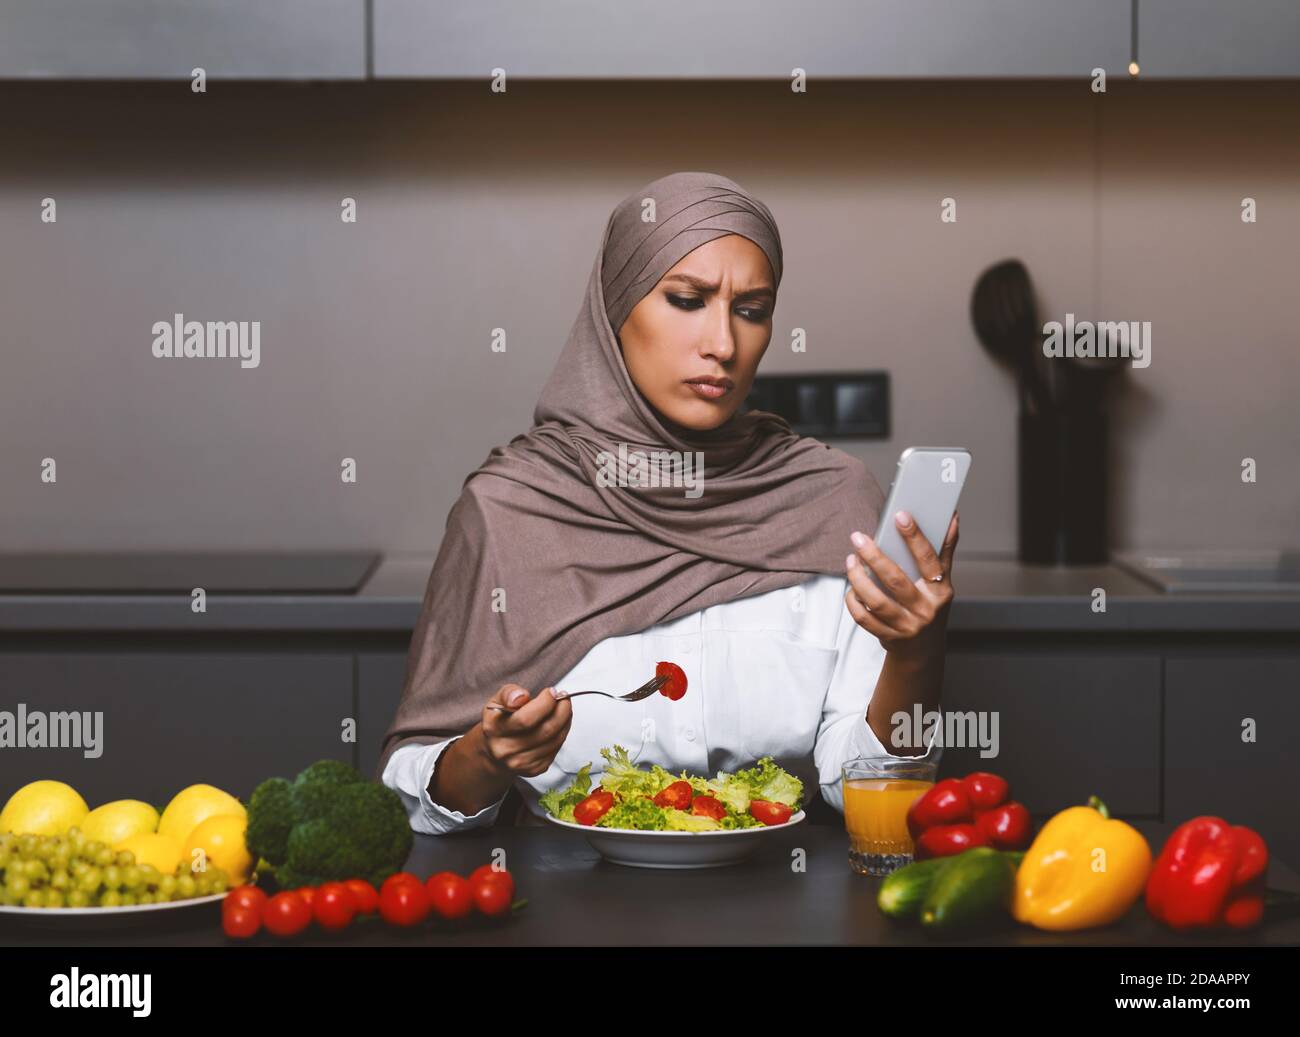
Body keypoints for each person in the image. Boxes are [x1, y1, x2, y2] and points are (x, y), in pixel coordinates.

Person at [377, 171, 958, 833]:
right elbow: (408, 793)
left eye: (751, 309)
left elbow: (871, 799)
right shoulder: (511, 509)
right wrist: (484, 757)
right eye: (686, 299)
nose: (723, 344)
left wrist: (916, 655)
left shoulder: (834, 499)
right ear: (616, 309)